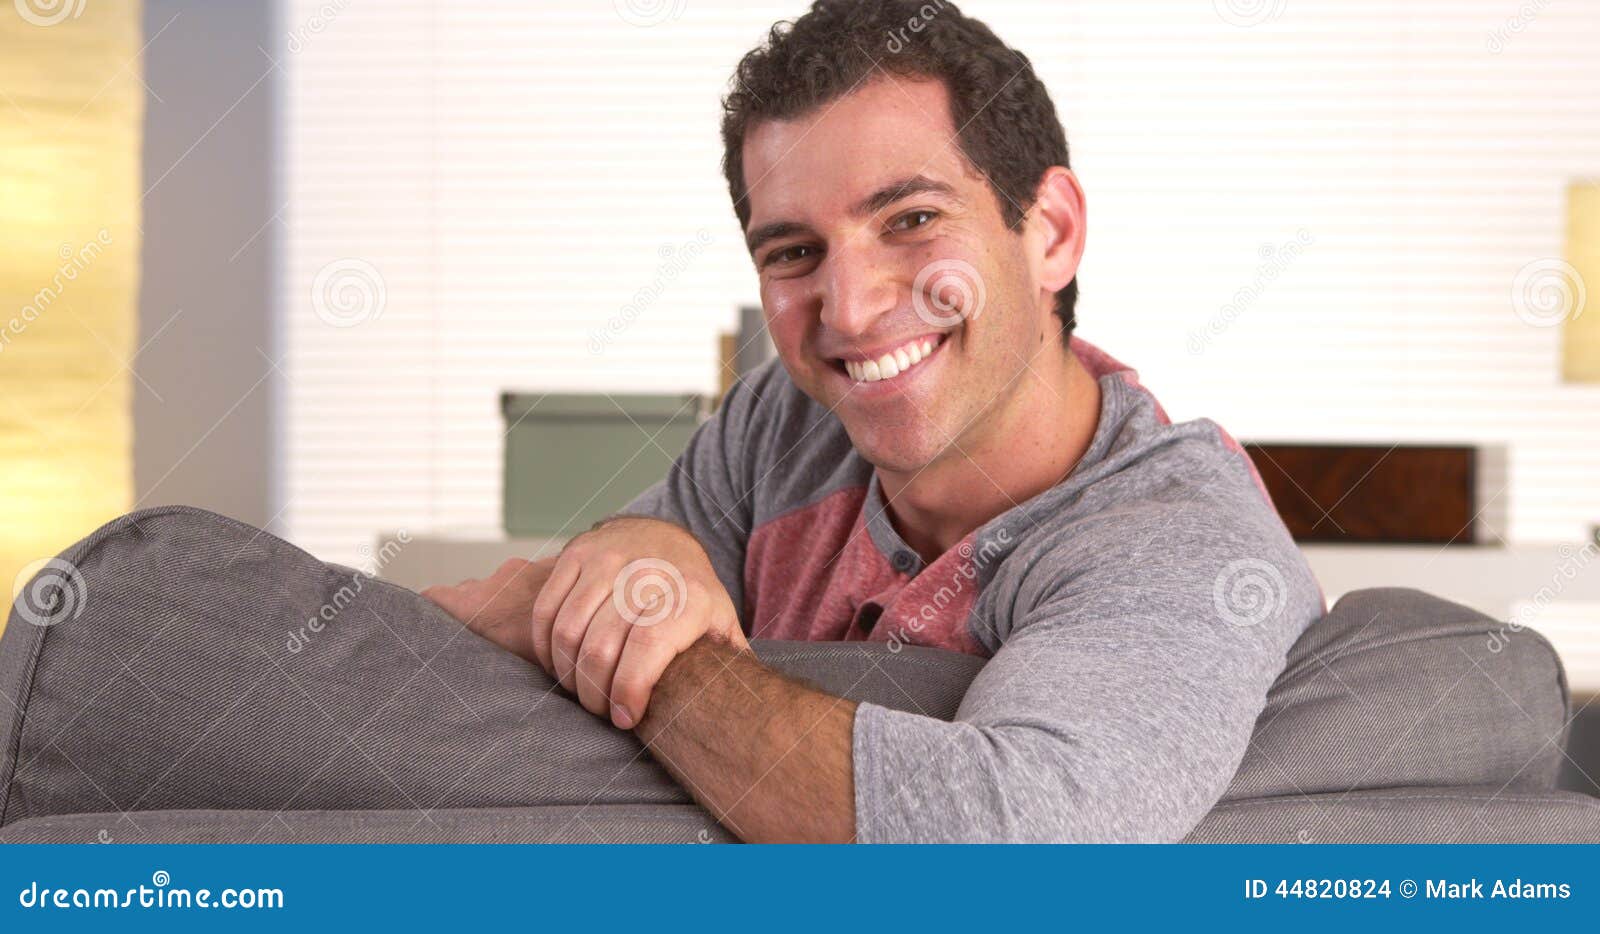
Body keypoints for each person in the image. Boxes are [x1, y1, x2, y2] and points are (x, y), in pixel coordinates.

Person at [421, 0, 1322, 844]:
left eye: (912, 219)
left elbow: (1008, 851)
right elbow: (645, 550)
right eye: (796, 252)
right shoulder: (784, 422)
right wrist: (637, 549)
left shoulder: (1184, 542)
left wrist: (649, 663)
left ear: (1049, 232)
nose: (848, 311)